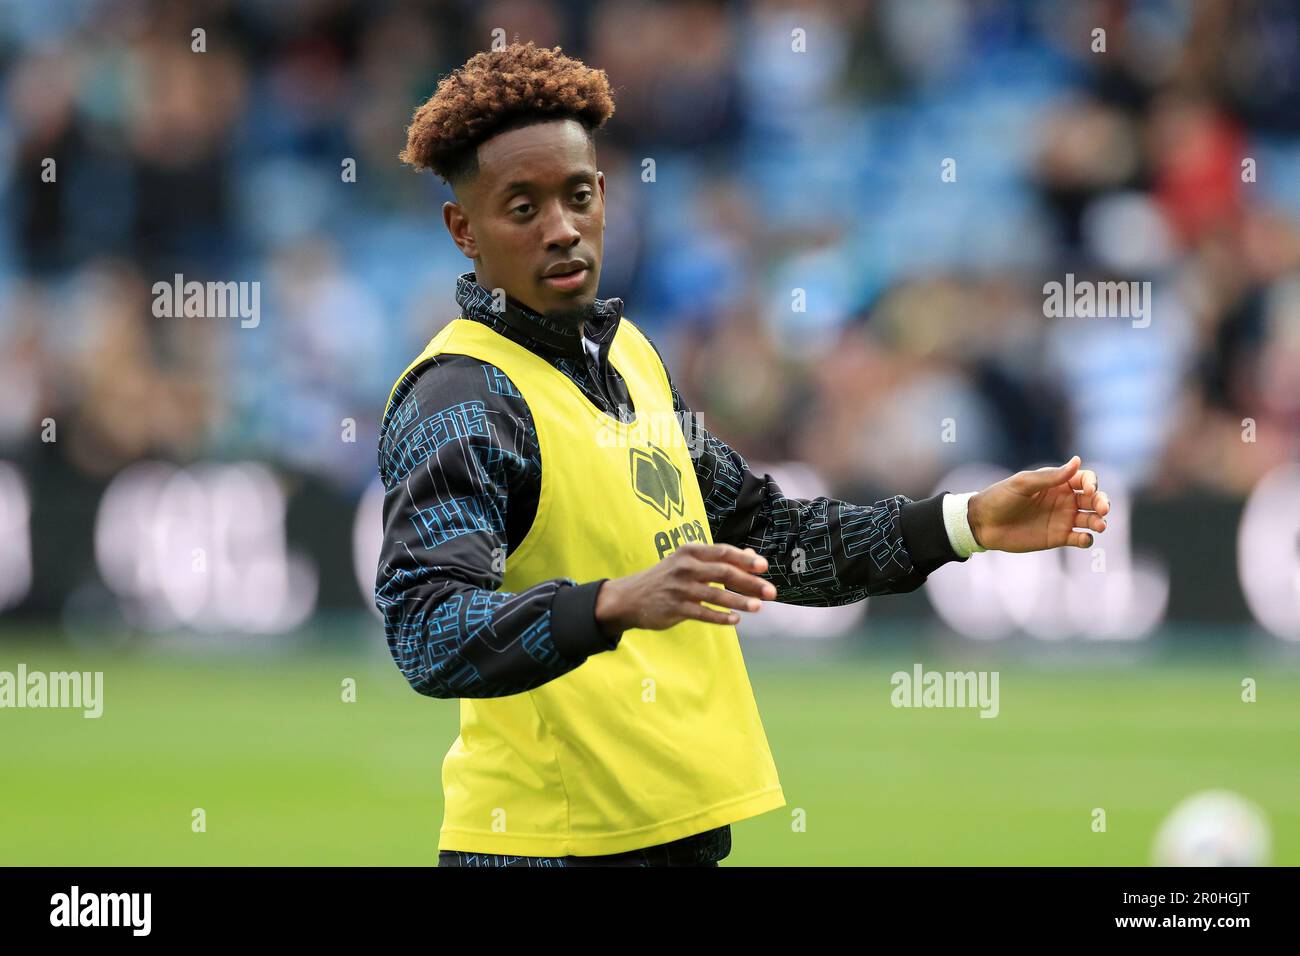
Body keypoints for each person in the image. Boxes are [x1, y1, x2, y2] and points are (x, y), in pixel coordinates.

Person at [376, 41, 1110, 867]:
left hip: (679, 836)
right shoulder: (461, 395)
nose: (562, 229)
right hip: (549, 846)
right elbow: (427, 629)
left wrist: (963, 523)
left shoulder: (631, 358)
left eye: (578, 196)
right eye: (522, 207)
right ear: (462, 229)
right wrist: (612, 601)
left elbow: (768, 537)